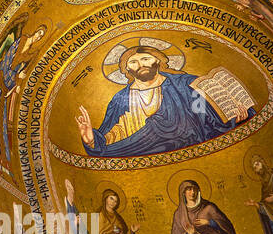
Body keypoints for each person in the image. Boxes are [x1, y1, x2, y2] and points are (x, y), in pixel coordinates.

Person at [76, 42, 250, 158]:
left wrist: (232, 121)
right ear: (127, 69)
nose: (140, 64)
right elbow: (112, 135)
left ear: (158, 61)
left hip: (192, 146)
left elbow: (206, 117)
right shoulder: (120, 99)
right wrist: (92, 141)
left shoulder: (184, 84)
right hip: (142, 149)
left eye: (145, 59)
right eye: (133, 62)